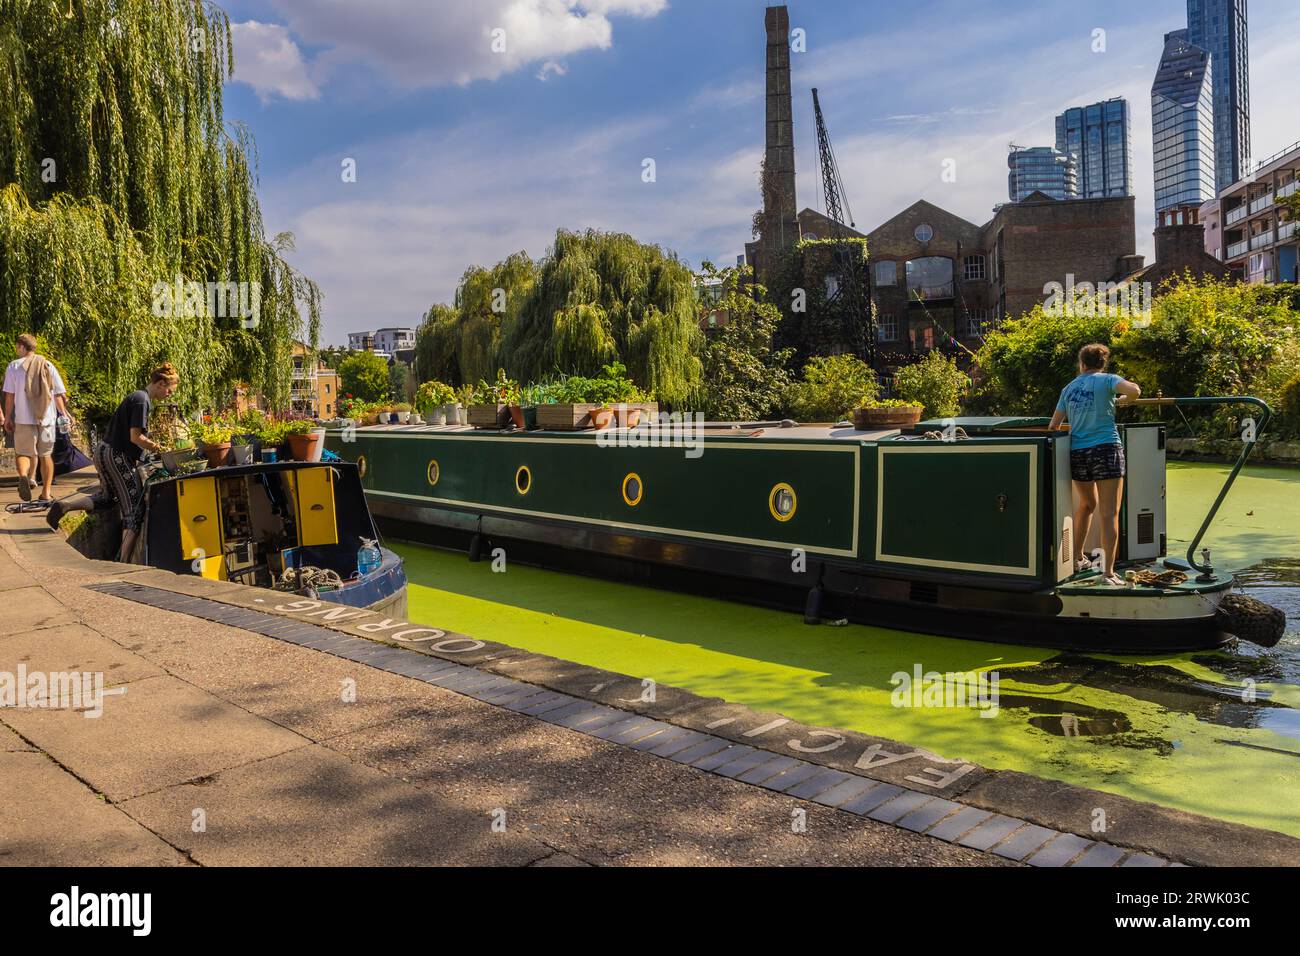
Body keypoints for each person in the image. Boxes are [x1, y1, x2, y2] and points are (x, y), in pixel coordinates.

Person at [48, 363, 179, 561]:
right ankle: (123, 561)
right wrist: (160, 449)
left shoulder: (138, 397)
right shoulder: (142, 400)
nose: (170, 394)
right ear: (160, 384)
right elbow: (136, 437)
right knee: (134, 511)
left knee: (107, 498)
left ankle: (65, 505)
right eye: (169, 390)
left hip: (103, 451)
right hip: (117, 456)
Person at [1049, 343, 1141, 586]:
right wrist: (1122, 399)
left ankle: (1078, 558)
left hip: (1078, 452)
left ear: (1082, 364)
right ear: (1103, 363)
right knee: (1109, 513)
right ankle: (1109, 573)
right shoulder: (1108, 380)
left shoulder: (1069, 388)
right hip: (1106, 448)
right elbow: (1135, 391)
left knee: (1087, 504)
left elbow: (1054, 426)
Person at [2, 334, 71, 503]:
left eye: (17, 347)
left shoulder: (14, 367)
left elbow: (9, 396)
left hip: (24, 419)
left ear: (21, 347)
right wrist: (65, 414)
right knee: (46, 455)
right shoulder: (48, 364)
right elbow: (58, 394)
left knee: (23, 453)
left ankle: (24, 476)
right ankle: (46, 494)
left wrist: (8, 416)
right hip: (46, 419)